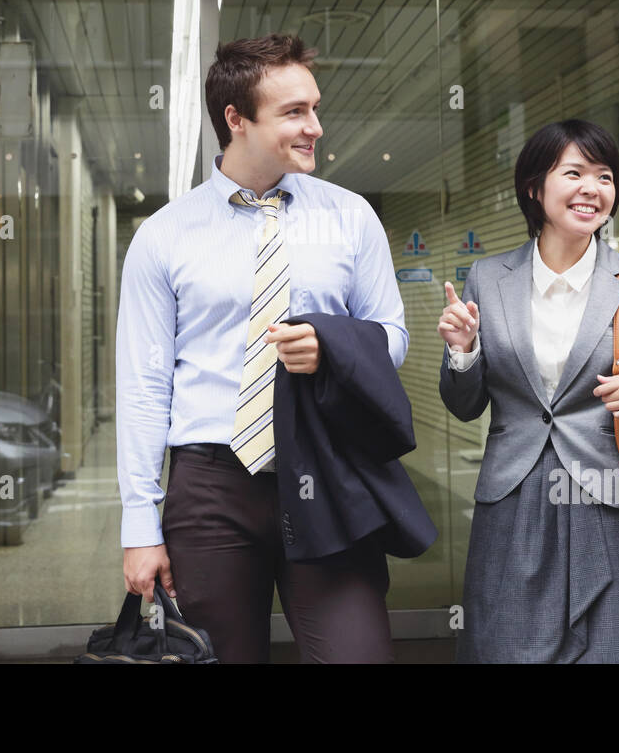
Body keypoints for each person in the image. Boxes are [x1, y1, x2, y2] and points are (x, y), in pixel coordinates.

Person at [115, 33, 409, 663]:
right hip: (211, 485)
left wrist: (332, 349)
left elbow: (392, 336)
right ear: (236, 119)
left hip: (328, 471)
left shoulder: (351, 217)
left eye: (315, 108)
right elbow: (144, 387)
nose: (316, 128)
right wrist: (139, 525)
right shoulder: (165, 236)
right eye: (295, 112)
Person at [439, 119, 619, 663]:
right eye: (574, 173)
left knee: (616, 648)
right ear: (535, 187)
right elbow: (465, 407)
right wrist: (464, 352)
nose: (592, 189)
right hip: (514, 497)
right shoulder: (488, 279)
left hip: (607, 493)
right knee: (508, 645)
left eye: (605, 177)